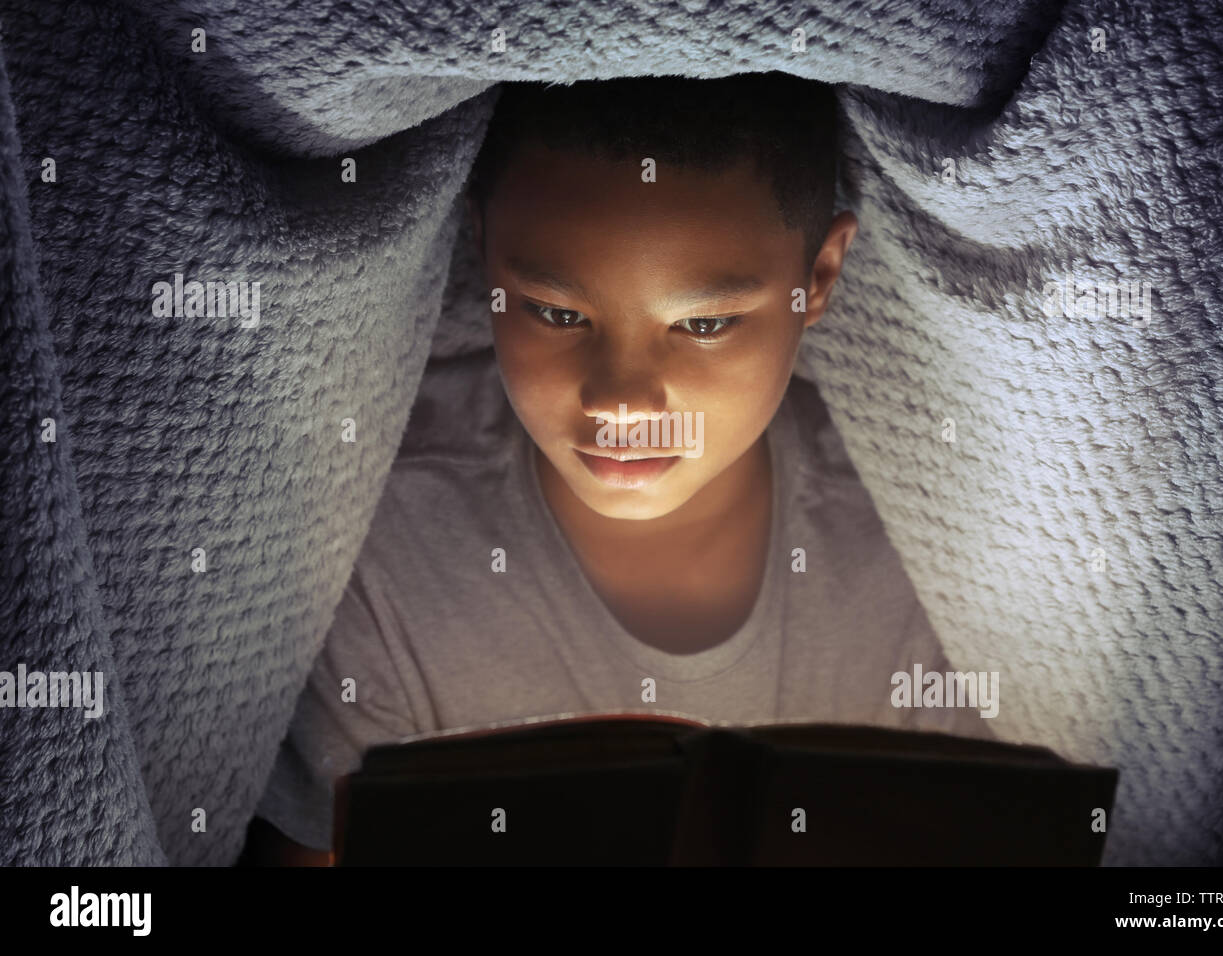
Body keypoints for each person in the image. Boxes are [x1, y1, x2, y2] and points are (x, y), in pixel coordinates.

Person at [244, 73, 996, 866]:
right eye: (558, 314)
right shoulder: (379, 539)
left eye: (704, 322)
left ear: (817, 280)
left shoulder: (911, 553)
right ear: (484, 250)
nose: (625, 403)